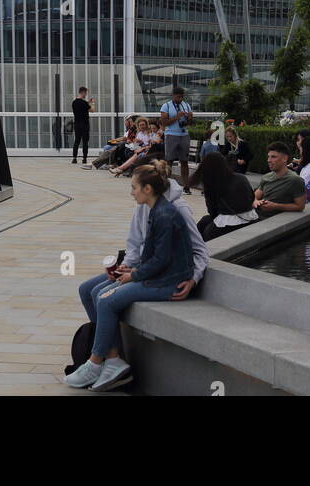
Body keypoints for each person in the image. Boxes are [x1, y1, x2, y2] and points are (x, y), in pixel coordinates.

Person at [65, 162, 196, 391]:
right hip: (160, 277)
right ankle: (110, 360)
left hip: (168, 282)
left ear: (148, 189)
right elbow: (151, 254)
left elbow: (162, 260)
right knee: (100, 294)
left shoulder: (165, 214)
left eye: (134, 187)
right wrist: (130, 269)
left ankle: (97, 362)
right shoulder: (157, 209)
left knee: (105, 299)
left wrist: (134, 275)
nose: (131, 192)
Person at [188, 151, 258, 240]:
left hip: (228, 222)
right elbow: (251, 198)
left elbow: (212, 210)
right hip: (250, 218)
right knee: (204, 221)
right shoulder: (241, 178)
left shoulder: (211, 183)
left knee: (207, 231)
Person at [253, 143, 307, 218]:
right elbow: (255, 197)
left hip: (270, 221)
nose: (268, 160)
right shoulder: (266, 177)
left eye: (273, 157)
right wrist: (256, 202)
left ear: (284, 158)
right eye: (268, 157)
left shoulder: (295, 180)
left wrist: (275, 206)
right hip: (254, 216)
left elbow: (300, 206)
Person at [160, 86, 193, 193]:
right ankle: (166, 185)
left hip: (184, 135)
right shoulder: (166, 106)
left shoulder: (186, 105)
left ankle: (186, 186)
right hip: (171, 135)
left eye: (182, 97)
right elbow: (164, 123)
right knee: (169, 161)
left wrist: (189, 118)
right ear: (173, 96)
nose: (180, 99)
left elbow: (190, 123)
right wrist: (177, 117)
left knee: (184, 161)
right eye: (178, 97)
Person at [71, 87, 94, 165]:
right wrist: (92, 103)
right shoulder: (84, 103)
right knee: (85, 142)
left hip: (77, 124)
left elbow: (81, 105)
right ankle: (84, 158)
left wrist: (87, 102)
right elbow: (92, 110)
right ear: (83, 92)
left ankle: (74, 158)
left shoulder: (74, 102)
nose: (86, 95)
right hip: (85, 124)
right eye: (86, 93)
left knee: (76, 141)